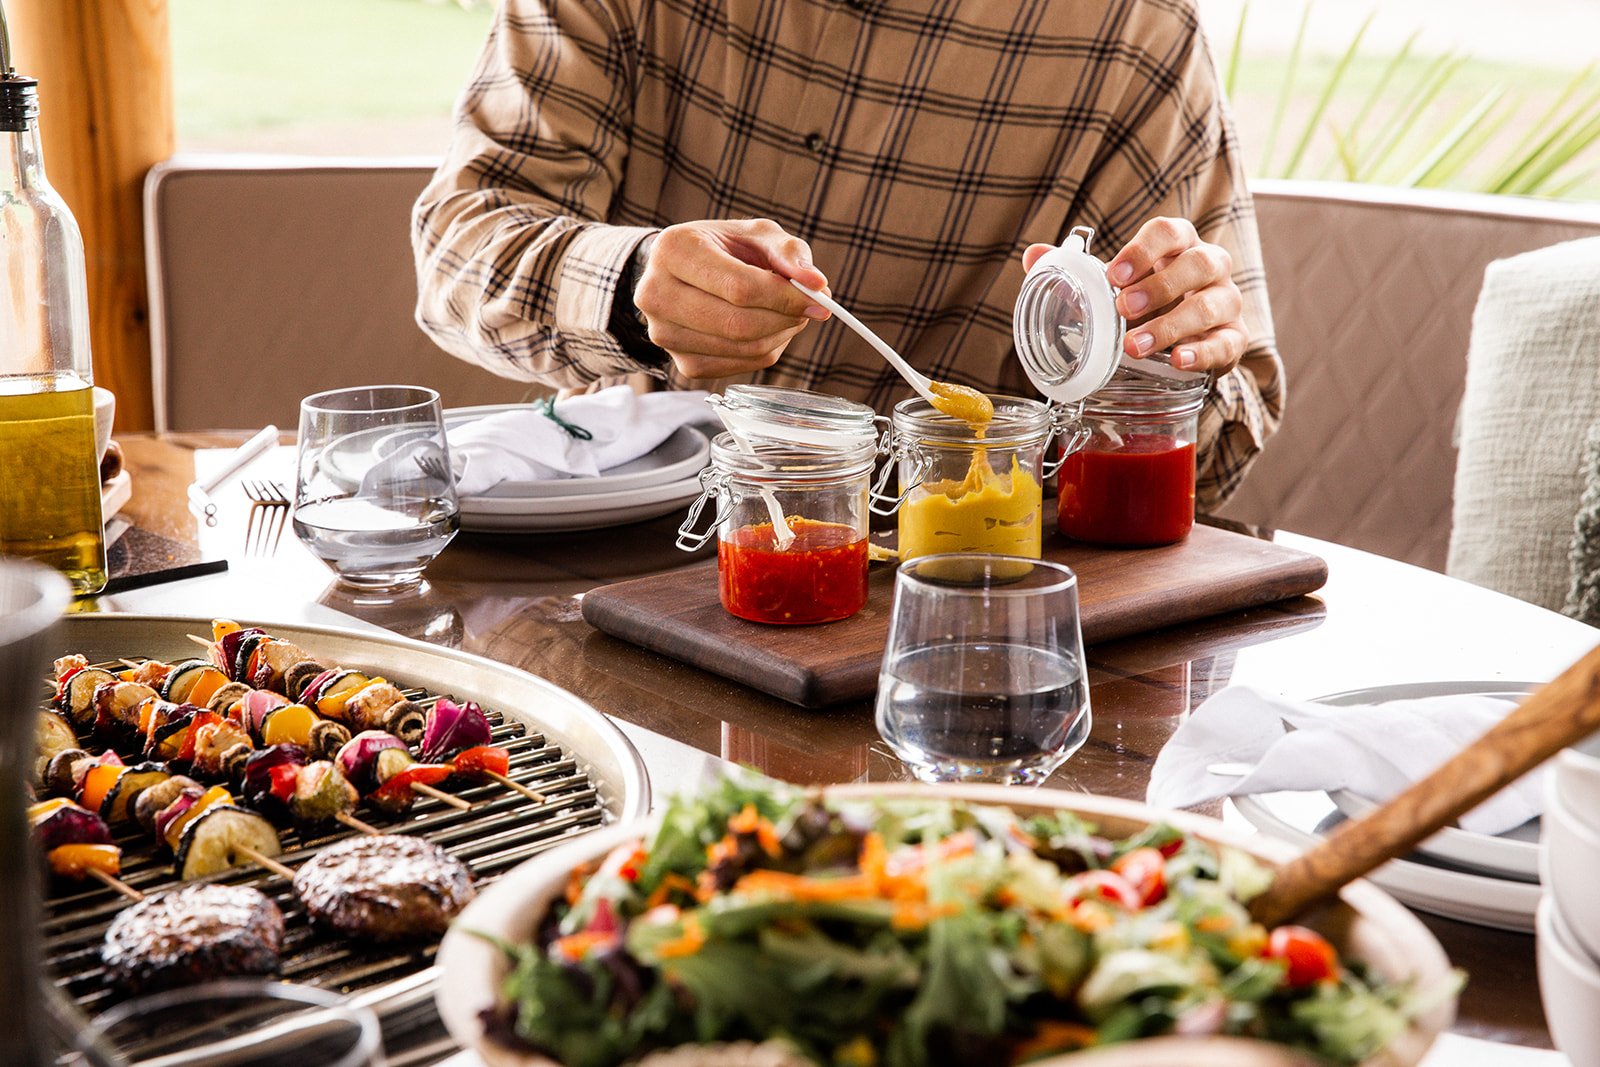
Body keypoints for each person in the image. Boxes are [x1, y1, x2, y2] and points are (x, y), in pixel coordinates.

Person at [413, 0, 1282, 509]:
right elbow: (460, 245)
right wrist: (635, 285)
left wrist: (1160, 365)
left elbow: (1218, 454)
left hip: (967, 606)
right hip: (632, 555)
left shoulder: (1134, 30)